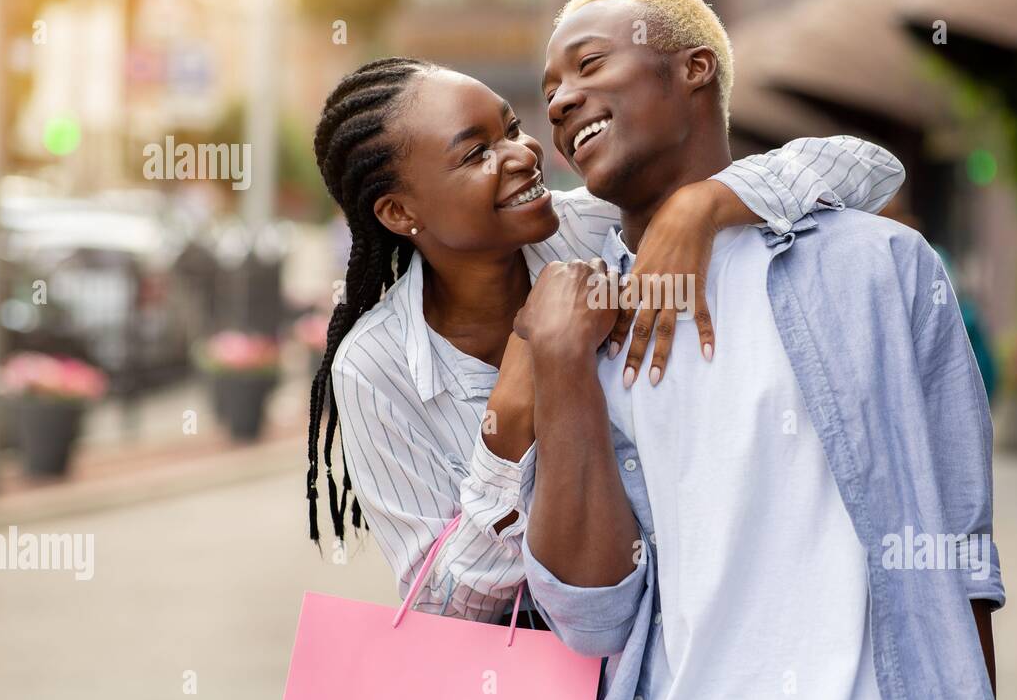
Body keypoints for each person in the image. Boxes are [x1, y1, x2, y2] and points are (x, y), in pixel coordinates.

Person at [517, 0, 1004, 700]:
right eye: (551, 89)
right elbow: (592, 617)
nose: (558, 101)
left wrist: (704, 203)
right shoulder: (581, 323)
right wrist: (558, 364)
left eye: (587, 64)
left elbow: (962, 554)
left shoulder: (881, 267)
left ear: (693, 68)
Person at [305, 56, 905, 626]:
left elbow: (869, 169)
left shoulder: (594, 224)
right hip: (553, 681)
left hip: (702, 630)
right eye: (477, 152)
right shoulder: (374, 365)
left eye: (512, 128)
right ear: (398, 210)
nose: (522, 153)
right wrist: (510, 422)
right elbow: (439, 607)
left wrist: (702, 205)